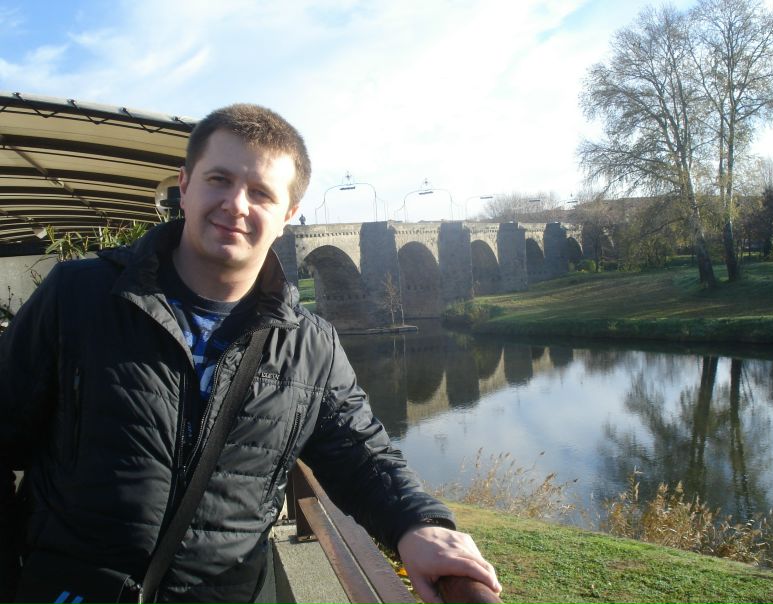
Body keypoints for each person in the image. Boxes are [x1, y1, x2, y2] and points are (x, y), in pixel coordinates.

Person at [0, 104, 500, 604]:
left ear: (288, 215)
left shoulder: (311, 345)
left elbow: (362, 456)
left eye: (261, 192)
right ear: (185, 186)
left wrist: (418, 523)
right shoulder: (78, 296)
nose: (236, 205)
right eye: (219, 179)